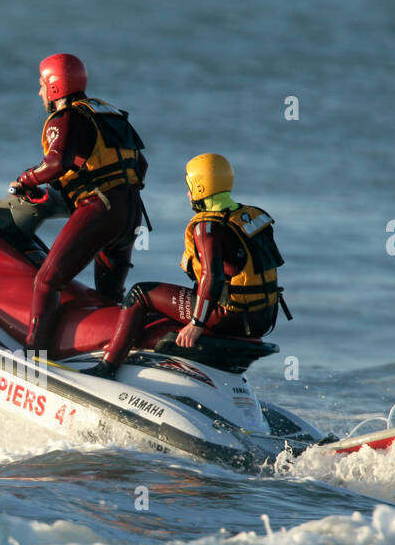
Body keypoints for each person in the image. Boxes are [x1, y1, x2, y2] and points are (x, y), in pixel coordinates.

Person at [85, 153, 291, 379]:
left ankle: (108, 367)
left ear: (200, 188)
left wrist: (196, 324)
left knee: (139, 294)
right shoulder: (252, 216)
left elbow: (212, 278)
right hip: (262, 318)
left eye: (190, 186)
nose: (187, 193)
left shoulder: (207, 226)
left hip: (229, 317)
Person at [9, 53, 149, 352]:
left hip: (99, 211)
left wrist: (27, 180)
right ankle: (113, 354)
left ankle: (35, 357)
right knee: (109, 296)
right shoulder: (109, 113)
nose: (39, 92)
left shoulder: (67, 117)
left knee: (47, 281)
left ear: (54, 86)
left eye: (42, 85)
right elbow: (142, 165)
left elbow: (57, 162)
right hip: (131, 213)